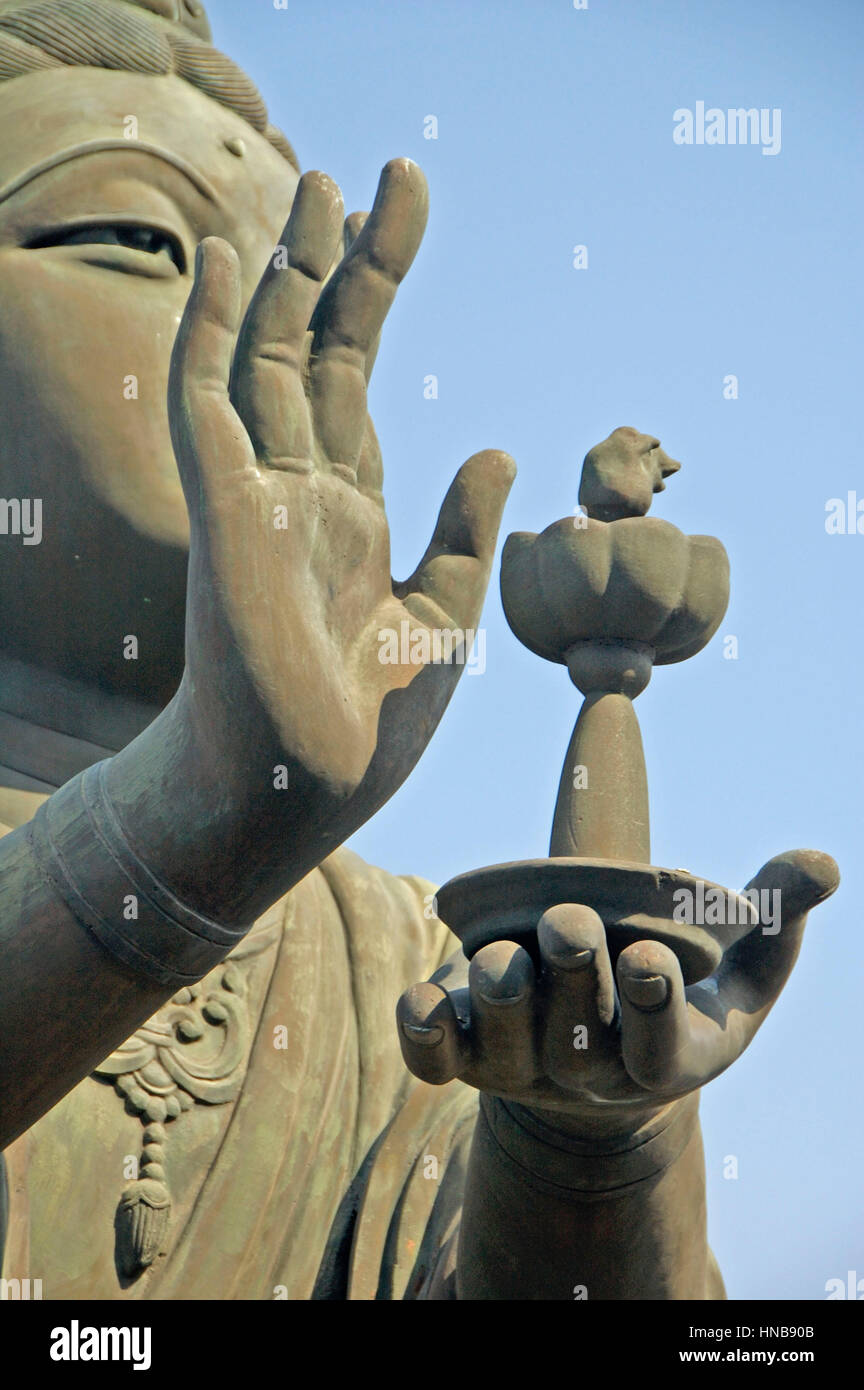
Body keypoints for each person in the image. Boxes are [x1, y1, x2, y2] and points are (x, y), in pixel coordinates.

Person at [0, 0, 837, 1300]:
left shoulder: (392, 965)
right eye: (140, 239)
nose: (238, 343)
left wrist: (585, 1143)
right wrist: (185, 837)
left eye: (296, 285)